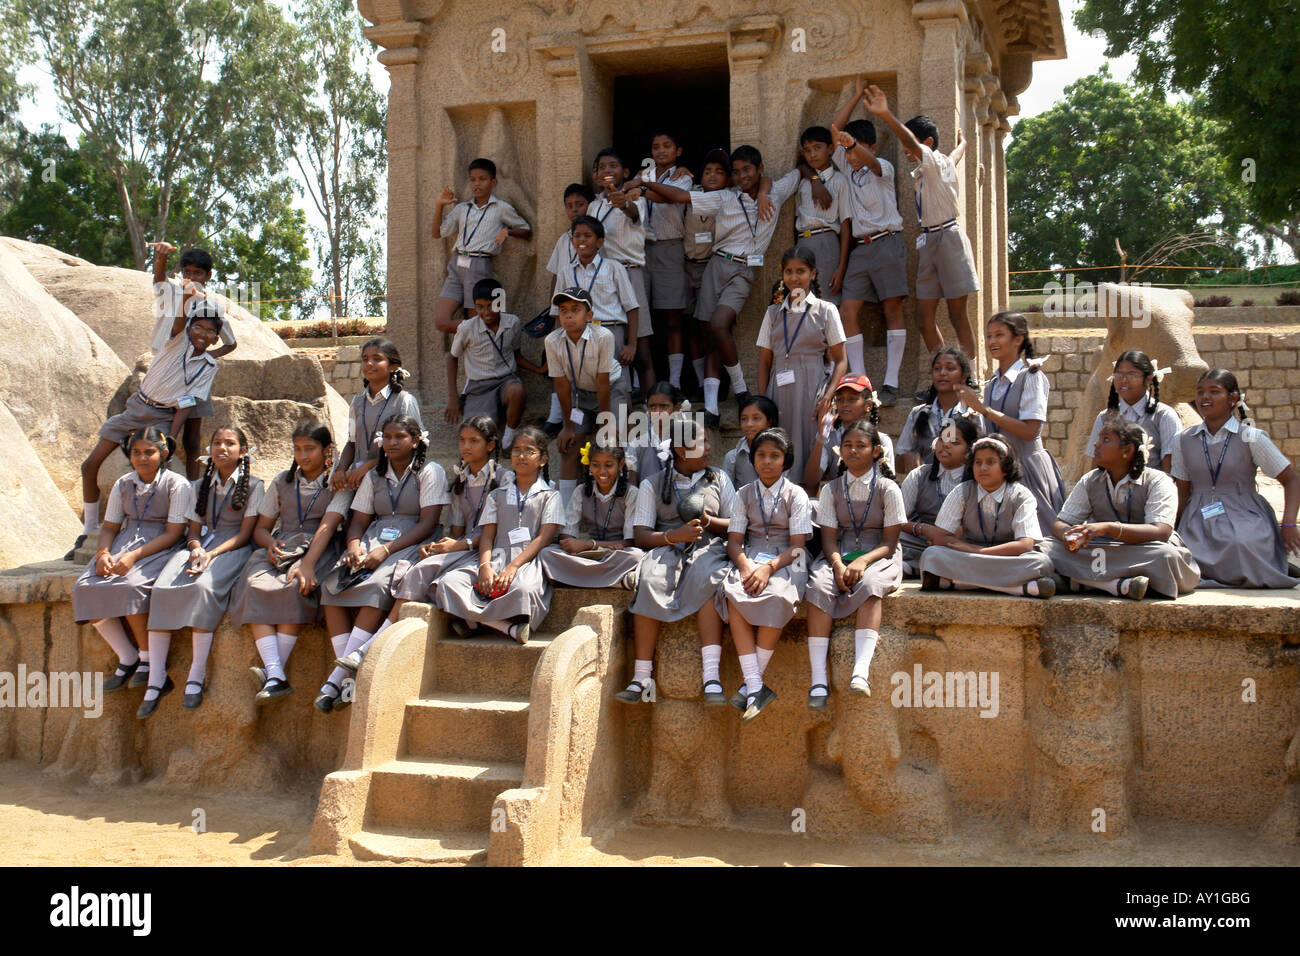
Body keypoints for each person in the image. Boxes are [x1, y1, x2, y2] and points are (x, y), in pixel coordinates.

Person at [639, 146, 795, 426]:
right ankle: (711, 407)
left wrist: (765, 192)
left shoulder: (774, 194)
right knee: (710, 335)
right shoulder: (724, 197)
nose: (741, 175)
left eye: (747, 169)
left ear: (759, 169)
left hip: (744, 270)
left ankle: (741, 388)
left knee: (719, 325)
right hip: (716, 264)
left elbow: (801, 170)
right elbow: (680, 196)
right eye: (736, 171)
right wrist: (645, 183)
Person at [316, 416, 448, 712]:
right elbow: (359, 521)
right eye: (386, 437)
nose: (391, 443)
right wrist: (353, 545)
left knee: (376, 586)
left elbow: (428, 523)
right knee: (332, 585)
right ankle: (346, 674)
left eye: (399, 436)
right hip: (373, 538)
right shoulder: (374, 475)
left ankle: (335, 680)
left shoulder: (429, 471)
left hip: (409, 541)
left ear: (416, 441)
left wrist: (386, 550)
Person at [74, 302, 223, 558]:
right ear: (189, 328)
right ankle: (88, 530)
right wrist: (186, 292)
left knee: (157, 469)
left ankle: (173, 530)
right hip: (136, 408)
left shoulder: (209, 366)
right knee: (90, 466)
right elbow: (179, 319)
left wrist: (171, 436)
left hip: (164, 415)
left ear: (215, 339)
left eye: (210, 332)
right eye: (198, 327)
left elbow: (187, 403)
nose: (203, 334)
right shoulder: (176, 342)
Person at [143, 425, 263, 715]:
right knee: (161, 589)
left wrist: (212, 554)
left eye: (229, 443)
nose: (222, 448)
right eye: (217, 443)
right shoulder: (198, 486)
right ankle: (156, 677)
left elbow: (245, 535)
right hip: (201, 546)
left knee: (203, 587)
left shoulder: (255, 486)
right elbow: (193, 530)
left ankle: (196, 673)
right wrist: (196, 548)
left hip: (231, 549)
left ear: (242, 451)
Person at [620, 414, 736, 705]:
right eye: (702, 442)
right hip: (667, 546)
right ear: (682, 451)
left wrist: (708, 521)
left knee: (708, 582)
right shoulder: (652, 484)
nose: (709, 448)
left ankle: (712, 678)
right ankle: (641, 678)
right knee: (649, 580)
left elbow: (736, 524)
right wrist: (674, 537)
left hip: (709, 547)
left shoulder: (719, 478)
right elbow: (642, 535)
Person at [862, 84, 978, 368]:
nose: (905, 150)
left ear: (925, 143)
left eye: (910, 144)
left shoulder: (933, 160)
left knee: (956, 315)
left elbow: (916, 144)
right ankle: (943, 373)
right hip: (929, 242)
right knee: (924, 318)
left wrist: (887, 114)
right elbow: (956, 156)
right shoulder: (938, 166)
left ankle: (970, 379)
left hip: (949, 238)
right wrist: (963, 142)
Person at [230, 420, 346, 703]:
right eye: (297, 449)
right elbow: (261, 527)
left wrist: (306, 563)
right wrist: (270, 544)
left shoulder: (337, 484)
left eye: (310, 449)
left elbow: (327, 528)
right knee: (253, 584)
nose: (303, 456)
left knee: (295, 585)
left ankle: (273, 672)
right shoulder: (283, 481)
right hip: (282, 545)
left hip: (320, 549)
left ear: (326, 450)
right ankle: (276, 674)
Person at [72, 427, 193, 696]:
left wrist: (134, 556)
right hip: (124, 542)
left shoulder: (177, 484)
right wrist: (103, 554)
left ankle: (148, 657)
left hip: (160, 545)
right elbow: (109, 527)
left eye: (149, 452)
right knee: (85, 586)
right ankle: (127, 657)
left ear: (163, 453)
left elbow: (174, 533)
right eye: (136, 452)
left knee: (130, 585)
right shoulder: (123, 483)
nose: (142, 457)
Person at [803, 420, 905, 705]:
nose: (853, 451)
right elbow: (829, 539)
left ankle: (860, 671)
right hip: (840, 552)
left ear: (876, 451)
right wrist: (837, 565)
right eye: (848, 445)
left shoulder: (888, 489)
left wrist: (862, 562)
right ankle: (818, 680)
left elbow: (890, 543)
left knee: (871, 585)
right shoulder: (831, 490)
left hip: (878, 554)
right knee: (818, 585)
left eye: (861, 445)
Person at [1046, 415, 1200, 599]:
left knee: (1165, 556)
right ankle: (1118, 585)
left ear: (1127, 451)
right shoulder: (1090, 480)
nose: (1096, 445)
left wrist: (1109, 528)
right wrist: (1070, 535)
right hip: (1104, 548)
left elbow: (1161, 531)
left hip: (1141, 549)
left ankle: (1079, 582)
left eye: (1106, 440)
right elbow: (1061, 522)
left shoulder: (1158, 481)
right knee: (1045, 546)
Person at [1171, 369, 1300, 588]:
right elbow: (1183, 489)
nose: (1205, 397)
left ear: (1233, 399)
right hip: (1197, 516)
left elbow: (1291, 479)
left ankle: (1271, 564)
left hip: (1244, 511)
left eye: (1214, 391)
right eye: (1200, 392)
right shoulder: (1183, 439)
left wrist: (1288, 523)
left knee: (1240, 543)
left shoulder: (1251, 436)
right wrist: (1175, 526)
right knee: (1185, 551)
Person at [716, 428, 812, 721]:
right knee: (733, 593)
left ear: (786, 460)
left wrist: (768, 568)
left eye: (775, 456)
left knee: (778, 596)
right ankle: (757, 685)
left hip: (786, 560)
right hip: (751, 555)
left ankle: (750, 686)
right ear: (752, 459)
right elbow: (734, 542)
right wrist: (746, 567)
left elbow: (798, 547)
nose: (767, 461)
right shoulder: (744, 494)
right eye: (761, 455)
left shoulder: (796, 495)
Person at [436, 426, 563, 644]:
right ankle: (507, 628)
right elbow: (487, 536)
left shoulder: (550, 495)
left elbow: (544, 538)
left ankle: (474, 621)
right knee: (448, 582)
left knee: (524, 589)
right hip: (495, 556)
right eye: (516, 450)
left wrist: (513, 567)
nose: (521, 456)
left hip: (527, 560)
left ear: (542, 459)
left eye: (529, 451)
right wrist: (485, 567)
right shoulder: (497, 494)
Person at [954, 311, 1065, 534]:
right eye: (989, 336)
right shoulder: (993, 382)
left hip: (1028, 469)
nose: (992, 341)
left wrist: (983, 409)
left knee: (1038, 538)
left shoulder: (1031, 377)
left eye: (999, 335)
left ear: (1018, 339)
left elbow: (1030, 431)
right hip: (998, 471)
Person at [828, 120, 909, 404]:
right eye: (847, 151)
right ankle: (860, 379)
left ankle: (891, 382)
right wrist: (857, 92)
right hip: (860, 248)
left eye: (857, 149)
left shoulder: (882, 167)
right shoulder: (846, 166)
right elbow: (834, 128)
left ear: (872, 147)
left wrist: (853, 146)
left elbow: (868, 160)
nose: (851, 156)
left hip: (887, 241)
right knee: (848, 311)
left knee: (892, 308)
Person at [918, 436, 1056, 598]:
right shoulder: (962, 491)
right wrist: (970, 549)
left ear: (1005, 467)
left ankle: (956, 583)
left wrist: (979, 551)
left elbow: (1025, 545)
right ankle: (1020, 588)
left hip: (1008, 558)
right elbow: (940, 538)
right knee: (932, 554)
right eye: (978, 462)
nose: (983, 468)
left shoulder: (1021, 496)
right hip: (969, 557)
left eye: (990, 462)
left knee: (1040, 562)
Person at [755, 246, 847, 480]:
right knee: (781, 442)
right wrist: (763, 402)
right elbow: (764, 362)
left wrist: (827, 396)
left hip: (813, 390)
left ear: (813, 274)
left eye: (801, 271)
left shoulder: (826, 311)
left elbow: (841, 360)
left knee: (810, 442)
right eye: (788, 271)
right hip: (779, 392)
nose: (794, 277)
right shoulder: (772, 313)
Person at [148, 241, 238, 480]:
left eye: (197, 272)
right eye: (187, 271)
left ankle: (193, 483)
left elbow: (231, 342)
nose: (191, 276)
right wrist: (161, 258)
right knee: (162, 430)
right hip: (166, 372)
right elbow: (158, 279)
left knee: (192, 436)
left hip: (195, 376)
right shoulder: (172, 293)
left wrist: (209, 356)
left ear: (208, 276)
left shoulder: (211, 308)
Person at [432, 157, 531, 335]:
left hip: (479, 265)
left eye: (482, 179)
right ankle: (485, 328)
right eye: (473, 179)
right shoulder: (463, 208)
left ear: (493, 182)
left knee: (474, 321)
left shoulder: (501, 208)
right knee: (441, 321)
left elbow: (526, 229)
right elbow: (437, 233)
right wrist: (439, 205)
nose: (477, 184)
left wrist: (508, 231)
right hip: (456, 264)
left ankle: (485, 339)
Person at [552, 216, 640, 416]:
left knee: (616, 382)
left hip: (610, 330)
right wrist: (559, 343)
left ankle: (619, 430)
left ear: (600, 241)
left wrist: (631, 344)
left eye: (588, 236)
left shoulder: (613, 268)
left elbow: (632, 307)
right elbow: (557, 313)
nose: (581, 240)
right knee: (582, 380)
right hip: (576, 333)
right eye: (577, 236)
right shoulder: (565, 272)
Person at [545, 287, 622, 512]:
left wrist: (606, 421)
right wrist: (568, 426)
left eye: (575, 310)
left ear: (589, 315)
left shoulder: (604, 337)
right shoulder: (552, 341)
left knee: (612, 442)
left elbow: (603, 383)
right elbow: (561, 384)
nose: (568, 315)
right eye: (563, 311)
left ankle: (618, 506)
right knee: (569, 446)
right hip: (580, 396)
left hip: (611, 389)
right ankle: (565, 515)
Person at [446, 277, 545, 450]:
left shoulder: (512, 322)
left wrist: (537, 370)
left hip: (505, 382)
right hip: (479, 386)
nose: (486, 312)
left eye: (492, 305)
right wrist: (453, 397)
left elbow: (515, 354)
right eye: (480, 307)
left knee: (517, 390)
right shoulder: (467, 328)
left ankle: (509, 436)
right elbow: (451, 357)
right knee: (476, 436)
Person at [589, 147, 656, 391]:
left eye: (613, 166)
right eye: (602, 167)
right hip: (604, 277)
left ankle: (652, 411)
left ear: (624, 172)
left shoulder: (636, 198)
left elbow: (633, 214)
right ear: (596, 175)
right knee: (614, 341)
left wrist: (622, 201)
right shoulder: (593, 207)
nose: (607, 171)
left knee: (641, 346)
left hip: (630, 273)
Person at [540, 438, 643, 589]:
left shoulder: (631, 493)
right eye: (595, 465)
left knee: (636, 555)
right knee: (546, 553)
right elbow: (567, 533)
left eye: (608, 465)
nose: (602, 472)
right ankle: (615, 581)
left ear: (620, 465)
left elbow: (629, 542)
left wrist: (589, 544)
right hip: (588, 555)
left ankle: (573, 579)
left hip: (616, 552)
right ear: (589, 466)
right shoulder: (581, 491)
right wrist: (573, 544)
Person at [329, 338, 423, 494]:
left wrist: (368, 466)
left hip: (389, 479)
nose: (369, 364)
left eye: (377, 359)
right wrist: (340, 469)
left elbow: (416, 446)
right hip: (355, 480)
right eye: (365, 359)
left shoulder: (404, 401)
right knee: (332, 513)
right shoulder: (357, 402)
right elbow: (352, 442)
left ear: (393, 366)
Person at [640, 129, 695, 390]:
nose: (661, 151)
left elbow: (670, 197)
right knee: (644, 319)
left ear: (678, 150)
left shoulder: (682, 177)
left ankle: (674, 382)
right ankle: (644, 381)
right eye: (656, 147)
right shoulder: (644, 176)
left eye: (667, 146)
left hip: (670, 248)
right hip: (642, 249)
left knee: (673, 317)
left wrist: (641, 187)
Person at [544, 183, 597, 436]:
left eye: (580, 205)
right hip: (565, 313)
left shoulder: (594, 236)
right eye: (570, 206)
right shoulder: (563, 240)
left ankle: (595, 420)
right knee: (561, 362)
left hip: (591, 315)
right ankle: (558, 415)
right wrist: (554, 312)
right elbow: (555, 277)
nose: (574, 210)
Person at [899, 414, 978, 575]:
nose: (946, 446)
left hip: (959, 543)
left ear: (969, 450)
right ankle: (917, 565)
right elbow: (897, 519)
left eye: (955, 442)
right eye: (942, 440)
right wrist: (923, 529)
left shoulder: (978, 480)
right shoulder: (919, 475)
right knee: (890, 536)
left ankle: (914, 566)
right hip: (922, 540)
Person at [680, 150, 729, 400]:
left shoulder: (728, 199)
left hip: (712, 267)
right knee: (691, 326)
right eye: (708, 171)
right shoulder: (690, 192)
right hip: (687, 266)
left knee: (710, 327)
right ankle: (700, 383)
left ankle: (716, 382)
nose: (712, 176)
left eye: (719, 172)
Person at [1084, 350, 1180, 472]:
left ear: (1148, 379)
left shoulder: (1164, 416)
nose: (1123, 380)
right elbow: (1096, 465)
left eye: (1132, 375)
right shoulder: (1104, 418)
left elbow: (1170, 468)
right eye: (1119, 374)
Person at [804, 374, 896, 492]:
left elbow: (886, 486)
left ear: (868, 405)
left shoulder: (882, 441)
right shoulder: (829, 439)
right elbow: (811, 481)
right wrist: (821, 438)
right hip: (838, 503)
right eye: (840, 399)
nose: (844, 404)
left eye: (852, 399)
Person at [791, 125, 850, 307]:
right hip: (803, 243)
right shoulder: (802, 181)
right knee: (801, 302)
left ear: (831, 149)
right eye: (807, 151)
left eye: (817, 148)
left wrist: (841, 267)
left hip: (827, 241)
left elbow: (846, 224)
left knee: (826, 302)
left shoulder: (840, 181)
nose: (812, 155)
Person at [897, 347, 977, 476]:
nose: (942, 373)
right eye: (937, 369)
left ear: (963, 377)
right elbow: (898, 463)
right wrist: (907, 458)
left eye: (950, 368)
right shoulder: (918, 413)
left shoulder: (973, 415)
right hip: (926, 491)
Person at [629, 382, 684, 485]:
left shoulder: (686, 440)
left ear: (677, 408)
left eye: (664, 406)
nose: (657, 412)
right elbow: (632, 483)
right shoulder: (637, 445)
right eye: (652, 406)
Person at [725, 394, 780, 490]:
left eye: (756, 418)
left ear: (770, 422)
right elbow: (725, 494)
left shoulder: (782, 454)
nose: (749, 424)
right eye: (744, 419)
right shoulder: (733, 457)